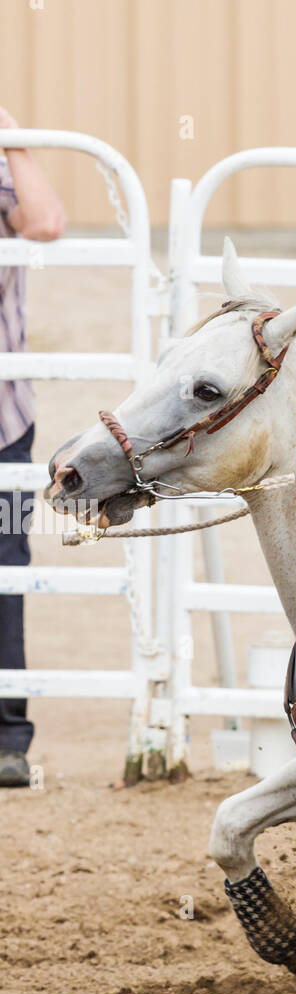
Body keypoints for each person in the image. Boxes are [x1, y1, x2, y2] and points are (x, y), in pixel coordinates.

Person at [0, 109, 65, 787]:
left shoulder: (3, 166)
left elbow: (44, 223)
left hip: (2, 417)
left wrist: (10, 133)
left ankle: (7, 736)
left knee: (5, 568)